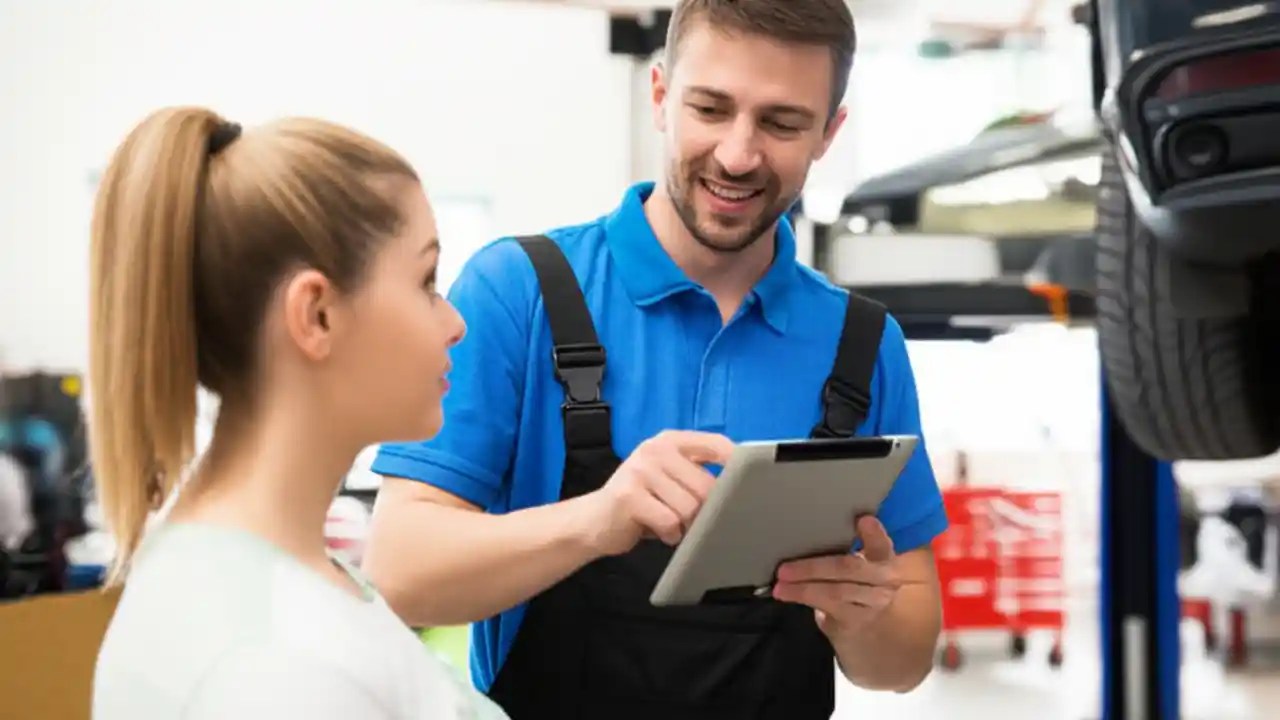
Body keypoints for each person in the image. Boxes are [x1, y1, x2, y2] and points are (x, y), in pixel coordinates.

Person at [364, 0, 947, 717]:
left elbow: (906, 659)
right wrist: (593, 520)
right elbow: (398, 571)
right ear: (662, 96)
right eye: (711, 108)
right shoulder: (521, 291)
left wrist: (865, 622)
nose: (738, 155)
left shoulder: (862, 343)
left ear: (829, 132)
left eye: (782, 122)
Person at [87, 106, 509, 719]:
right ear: (316, 316)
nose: (454, 323)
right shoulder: (275, 665)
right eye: (426, 282)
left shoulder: (277, 574)